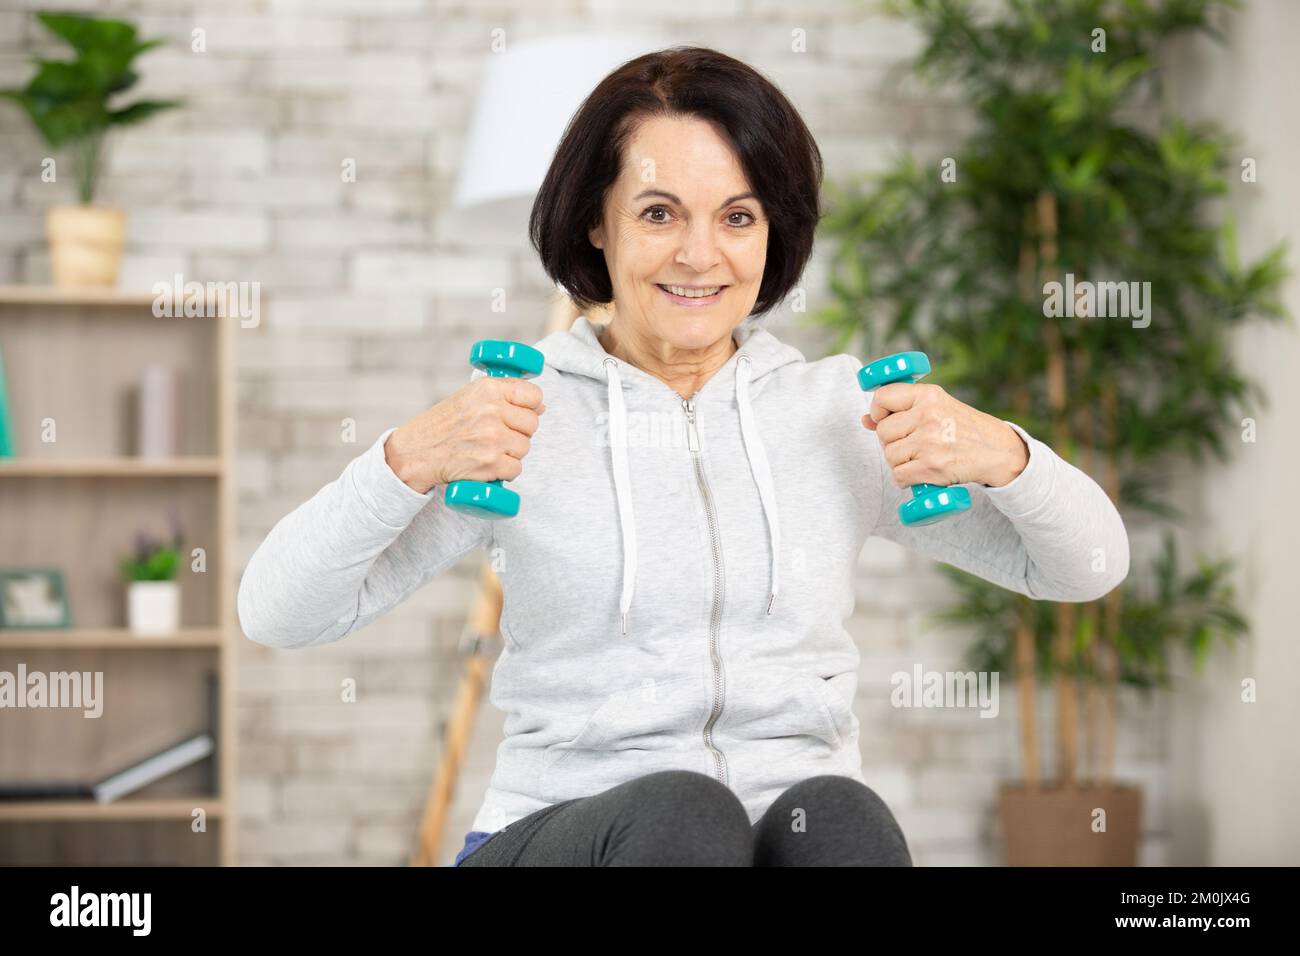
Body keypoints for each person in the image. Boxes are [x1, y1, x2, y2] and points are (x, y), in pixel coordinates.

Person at [238, 46, 1129, 866]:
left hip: (778, 837)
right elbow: (280, 613)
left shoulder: (837, 414)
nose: (700, 256)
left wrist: (1006, 455)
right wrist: (404, 459)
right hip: (560, 831)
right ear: (598, 224)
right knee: (682, 812)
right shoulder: (518, 417)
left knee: (844, 816)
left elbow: (1086, 567)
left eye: (736, 216)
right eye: (659, 213)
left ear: (771, 231)